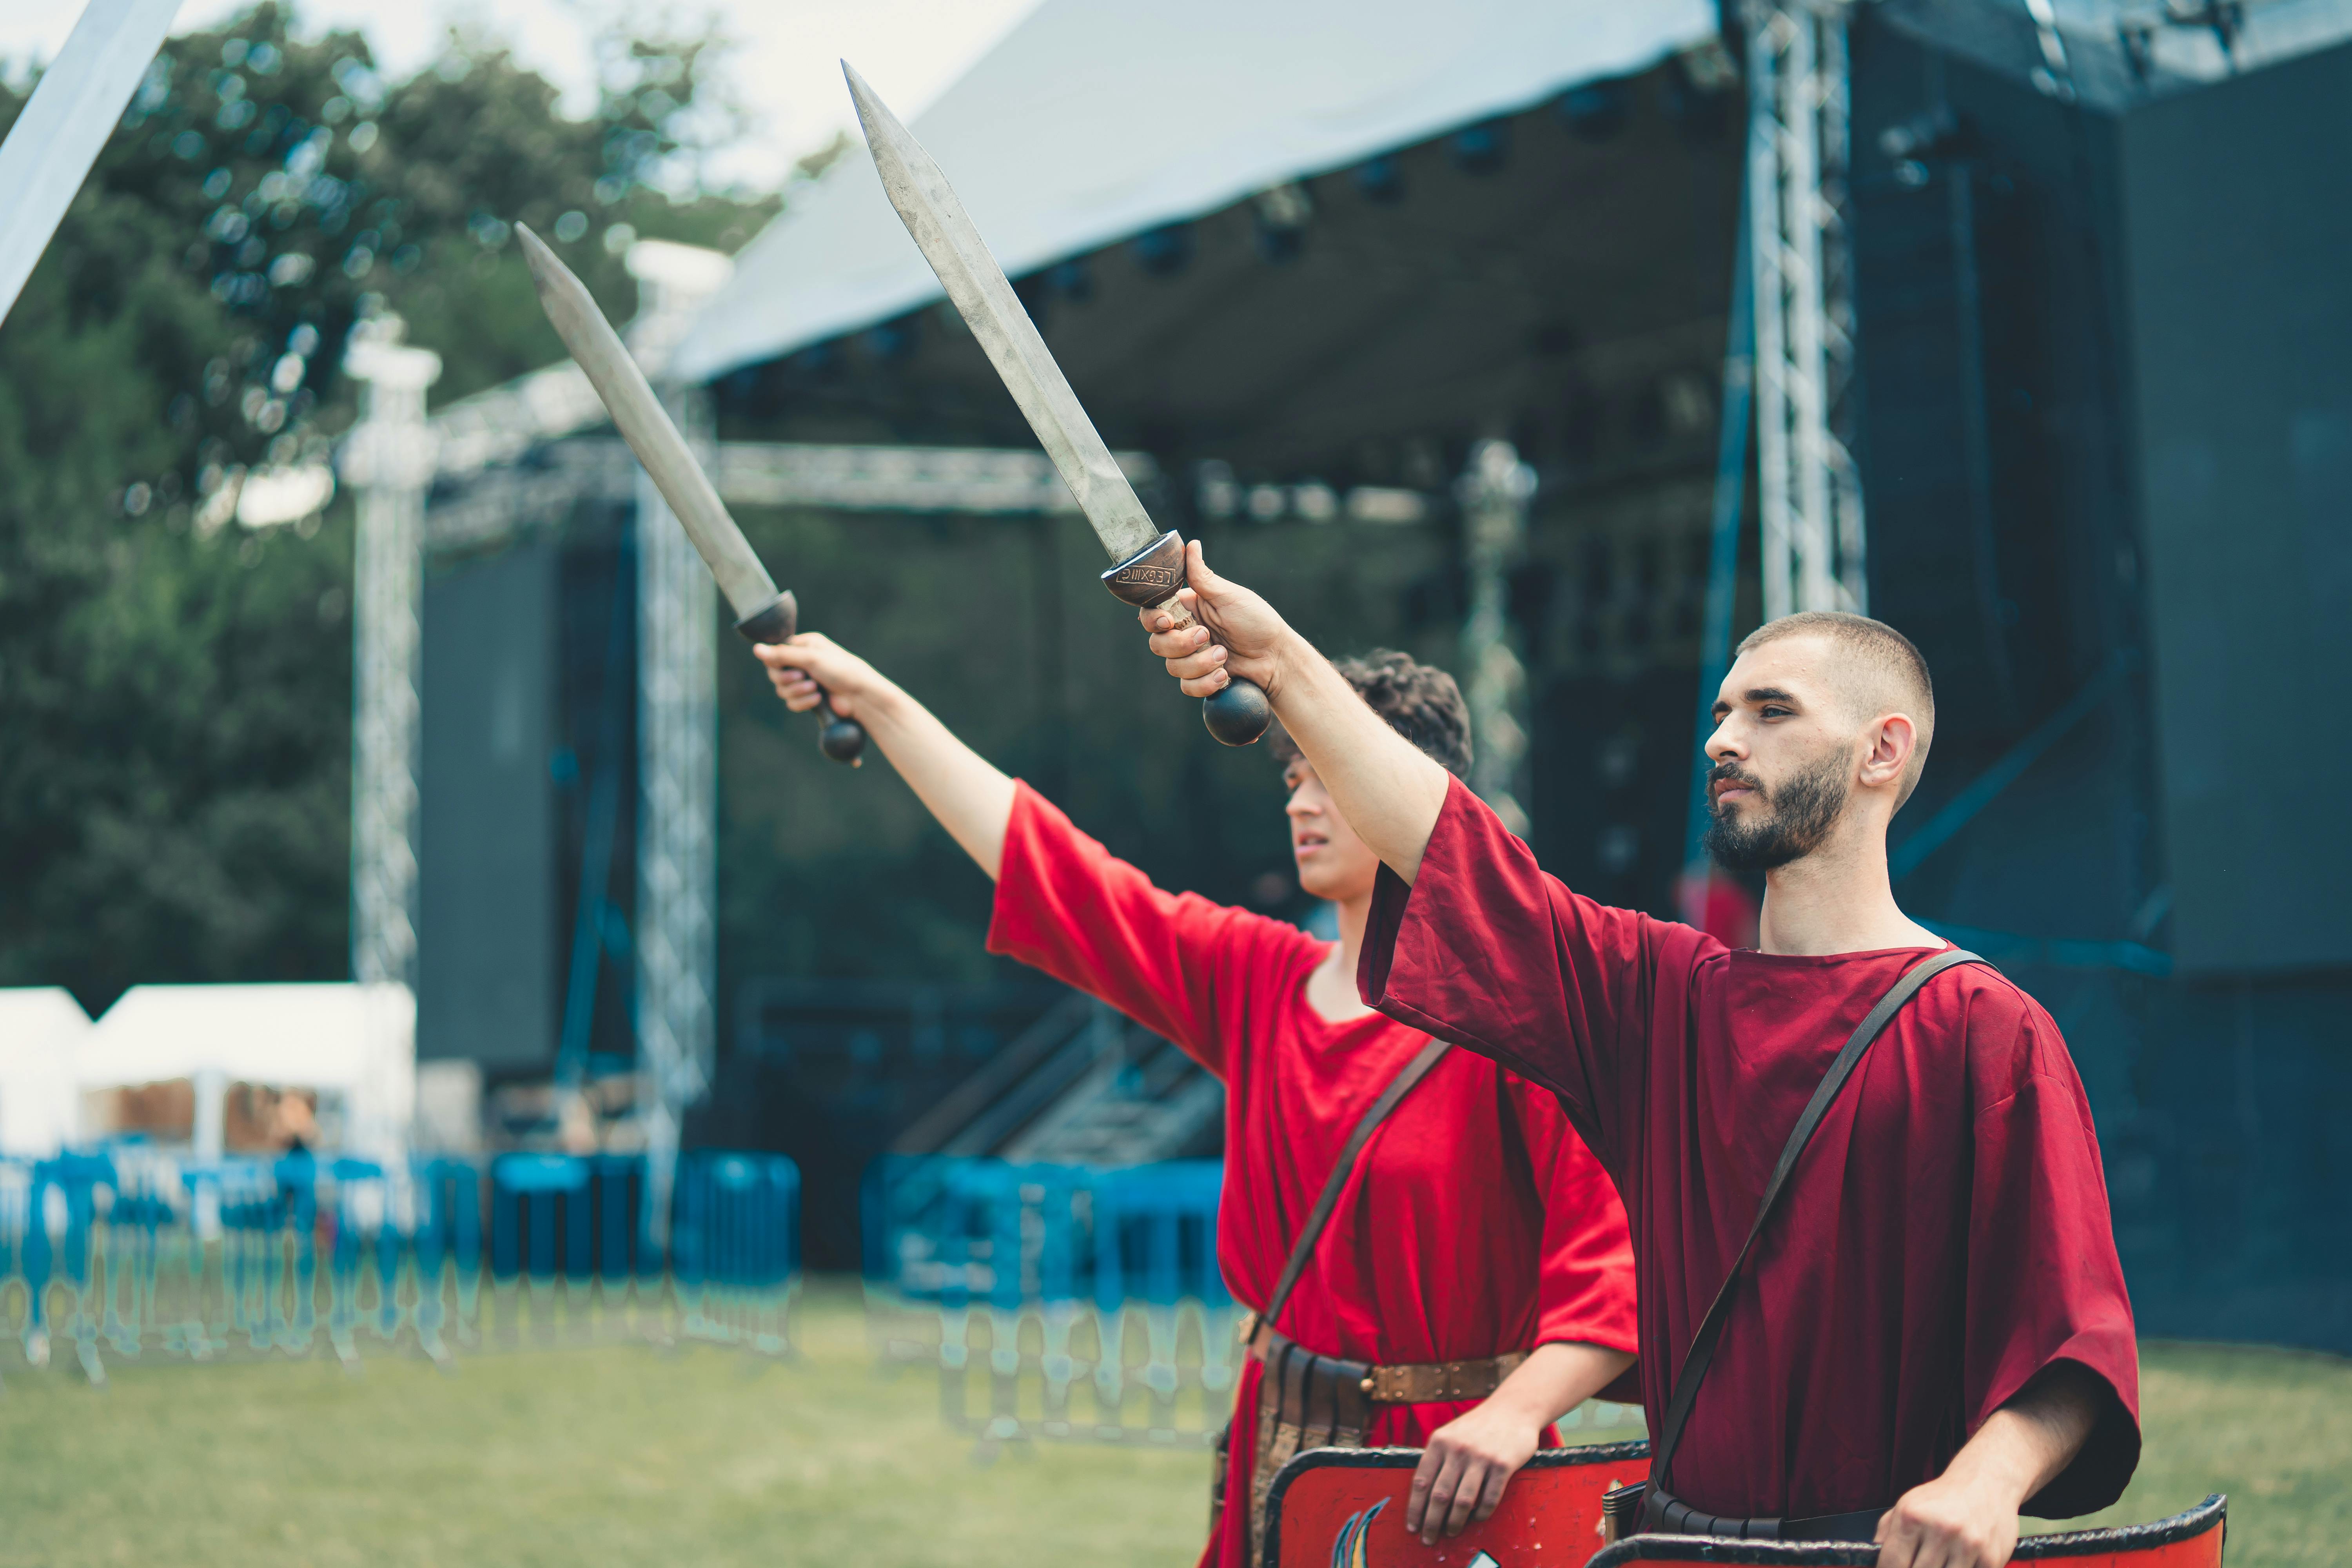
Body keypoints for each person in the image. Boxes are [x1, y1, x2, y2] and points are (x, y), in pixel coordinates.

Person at [1138, 543, 2140, 1568]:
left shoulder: (1984, 1029)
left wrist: (1988, 1479)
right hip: (1672, 1546)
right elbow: (1458, 858)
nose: (1723, 741)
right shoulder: (1661, 999)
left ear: (1883, 750)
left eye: (1771, 712)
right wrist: (1282, 664)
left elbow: (2073, 1340)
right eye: (1719, 714)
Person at [757, 633, 1638, 1568]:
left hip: (1457, 1469)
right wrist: (882, 701)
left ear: (1412, 792)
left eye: (1328, 772)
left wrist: (1518, 1410)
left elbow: (1610, 1268)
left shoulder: (1514, 1016)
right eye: (1292, 776)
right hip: (1280, 1440)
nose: (1299, 799)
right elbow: (1064, 877)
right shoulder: (1258, 976)